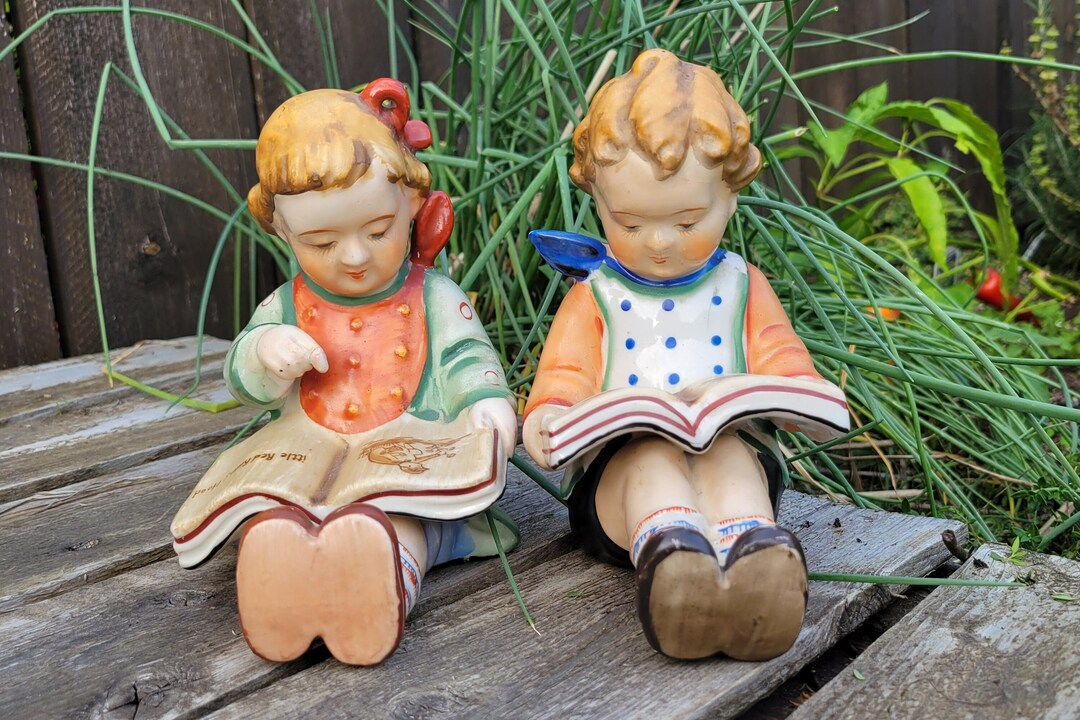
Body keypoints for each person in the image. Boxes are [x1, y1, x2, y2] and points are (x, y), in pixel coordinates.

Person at [522, 49, 835, 661]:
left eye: (688, 220)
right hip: (619, 485)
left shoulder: (743, 285)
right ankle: (675, 568)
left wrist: (801, 395)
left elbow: (780, 353)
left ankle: (757, 563)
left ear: (730, 200)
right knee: (651, 467)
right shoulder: (596, 297)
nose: (660, 243)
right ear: (599, 202)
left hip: (727, 443)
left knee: (732, 465)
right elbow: (563, 375)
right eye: (630, 223)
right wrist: (549, 418)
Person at [217, 83, 517, 665]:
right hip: (311, 460)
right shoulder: (285, 304)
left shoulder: (433, 296)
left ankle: (383, 587)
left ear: (410, 203)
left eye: (378, 230)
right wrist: (262, 354)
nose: (354, 257)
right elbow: (243, 372)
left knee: (390, 516)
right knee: (286, 514)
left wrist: (486, 403)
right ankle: (287, 592)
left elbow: (465, 357)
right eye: (321, 241)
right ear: (281, 230)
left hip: (410, 457)